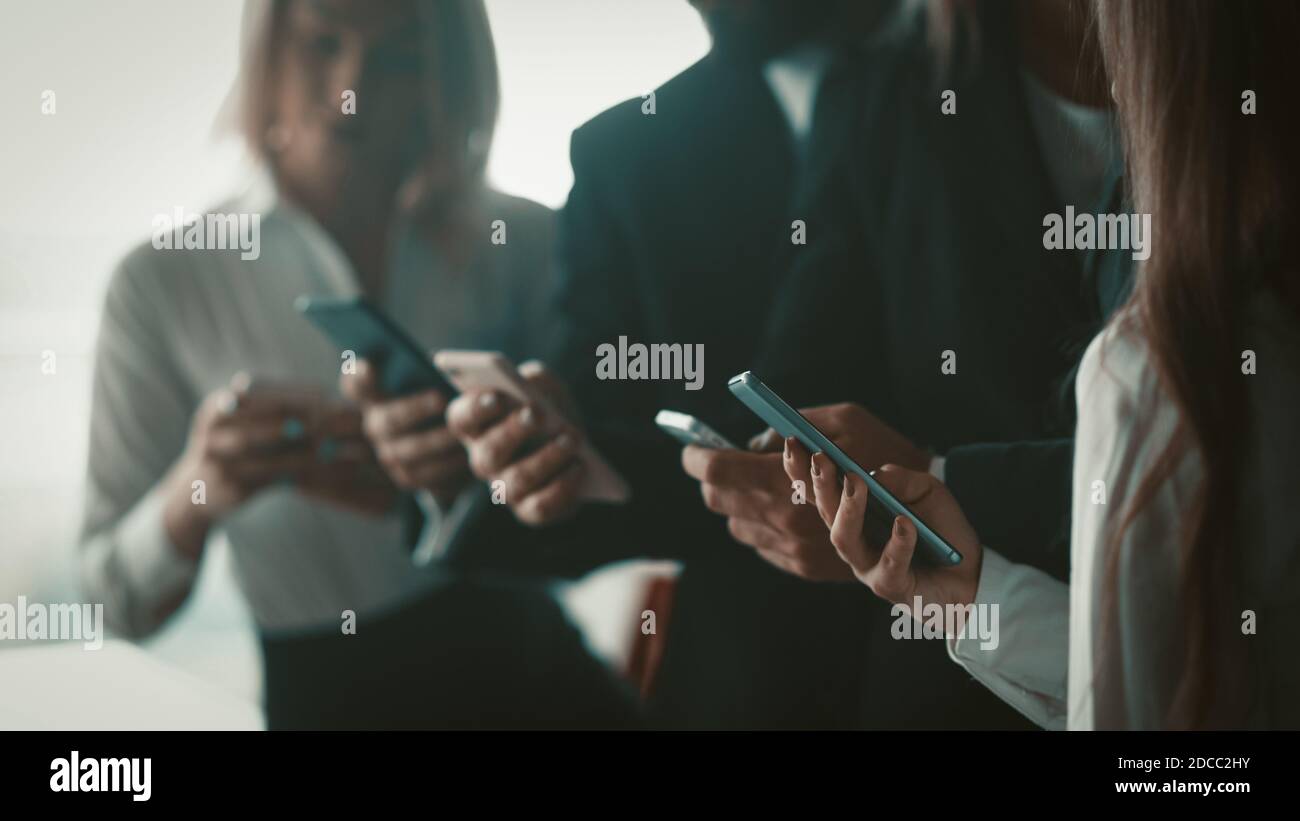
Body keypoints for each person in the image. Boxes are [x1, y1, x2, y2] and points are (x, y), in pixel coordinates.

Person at [357, 0, 902, 727]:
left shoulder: (1017, 71)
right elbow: (597, 448)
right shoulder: (626, 153)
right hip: (749, 697)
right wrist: (482, 467)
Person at [796, 0, 1300, 730]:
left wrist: (941, 480)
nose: (1111, 85)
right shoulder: (880, 91)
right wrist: (976, 600)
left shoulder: (1149, 374)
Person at [78, 0, 573, 727]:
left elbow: (602, 505)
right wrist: (199, 488)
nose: (354, 86)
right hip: (325, 698)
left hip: (533, 675)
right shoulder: (164, 282)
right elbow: (110, 603)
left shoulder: (528, 242)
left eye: (400, 56)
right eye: (323, 42)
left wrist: (474, 477)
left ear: (450, 73)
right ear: (266, 46)